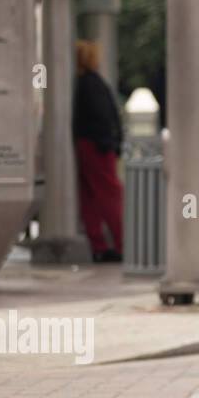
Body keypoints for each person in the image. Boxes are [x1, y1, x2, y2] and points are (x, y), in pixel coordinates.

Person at [73, 40, 124, 262]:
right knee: (107, 194)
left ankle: (101, 244)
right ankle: (119, 243)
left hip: (90, 144)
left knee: (92, 196)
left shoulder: (84, 84)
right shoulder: (94, 84)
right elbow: (107, 117)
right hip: (99, 145)